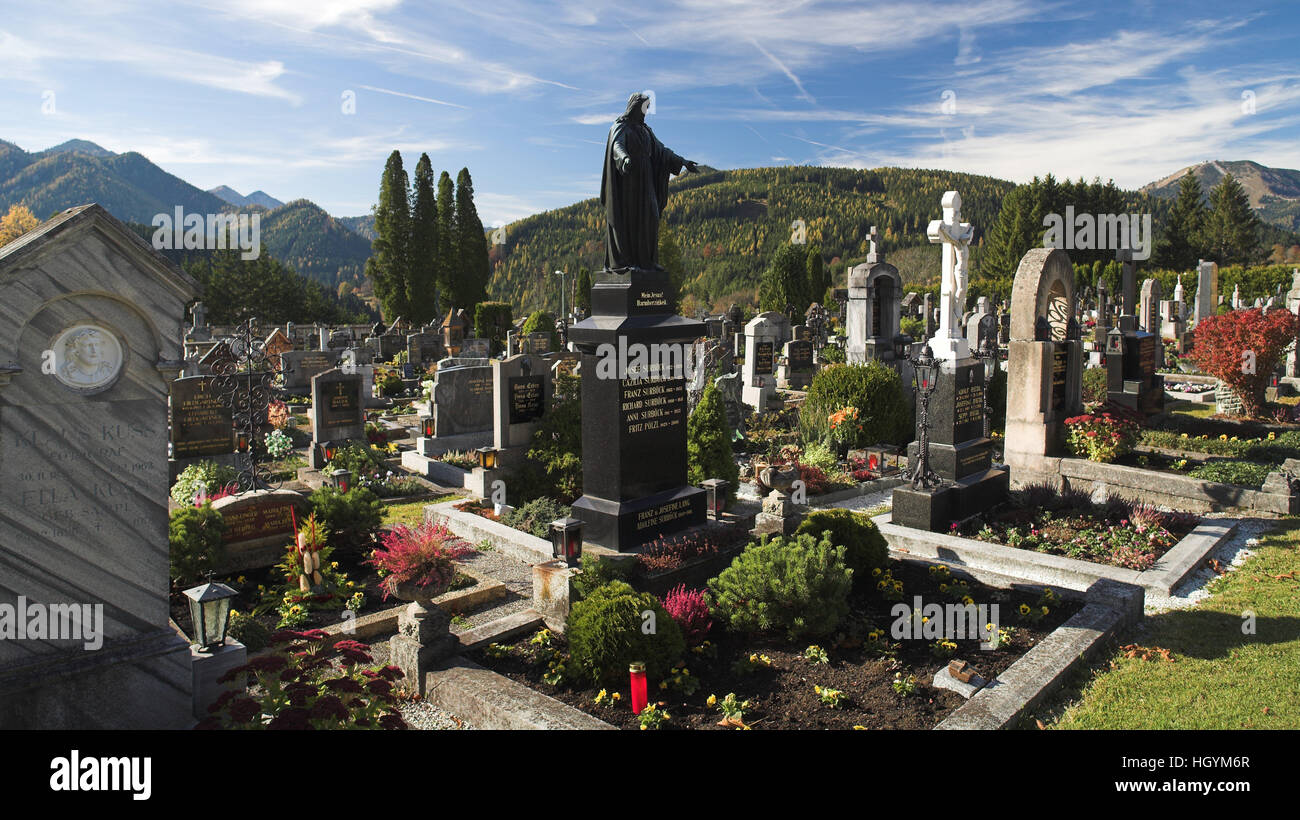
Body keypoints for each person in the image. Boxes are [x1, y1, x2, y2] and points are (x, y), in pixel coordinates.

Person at [601, 92, 698, 271]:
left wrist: (683, 161)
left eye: (647, 107)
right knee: (630, 220)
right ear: (635, 107)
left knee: (651, 217)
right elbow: (616, 145)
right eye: (644, 107)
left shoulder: (646, 131)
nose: (646, 111)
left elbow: (662, 151)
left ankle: (646, 261)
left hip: (646, 182)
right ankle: (629, 261)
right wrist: (624, 159)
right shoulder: (622, 126)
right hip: (629, 182)